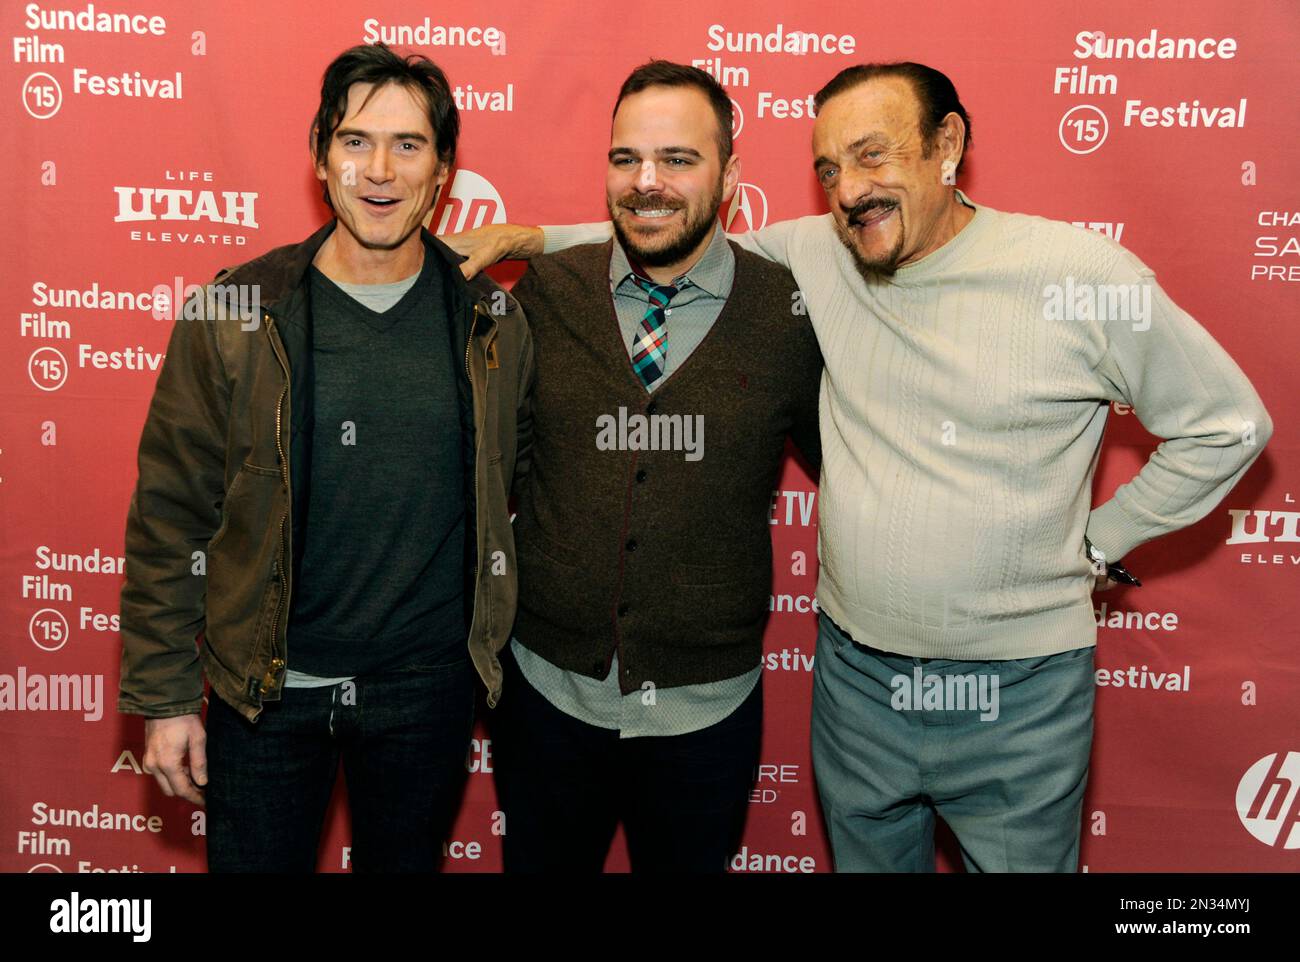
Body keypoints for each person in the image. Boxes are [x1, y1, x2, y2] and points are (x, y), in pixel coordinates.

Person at [446, 61, 1272, 872]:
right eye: (830, 169)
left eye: (874, 155)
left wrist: (1098, 542)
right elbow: (673, 230)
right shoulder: (825, 255)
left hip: (1021, 692)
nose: (850, 190)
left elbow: (1228, 425)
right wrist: (531, 239)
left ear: (947, 144)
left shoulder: (1078, 276)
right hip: (858, 680)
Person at [117, 42, 534, 873]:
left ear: (443, 171)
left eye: (409, 145)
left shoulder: (492, 323)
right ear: (320, 157)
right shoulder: (237, 311)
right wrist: (164, 697)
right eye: (355, 141)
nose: (380, 170)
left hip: (424, 693)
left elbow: (511, 486)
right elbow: (171, 515)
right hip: (267, 693)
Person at [487, 61, 822, 873]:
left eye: (678, 160)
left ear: (731, 177)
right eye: (625, 159)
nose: (647, 183)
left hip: (704, 712)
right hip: (547, 696)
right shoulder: (545, 294)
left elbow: (856, 469)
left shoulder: (787, 313)